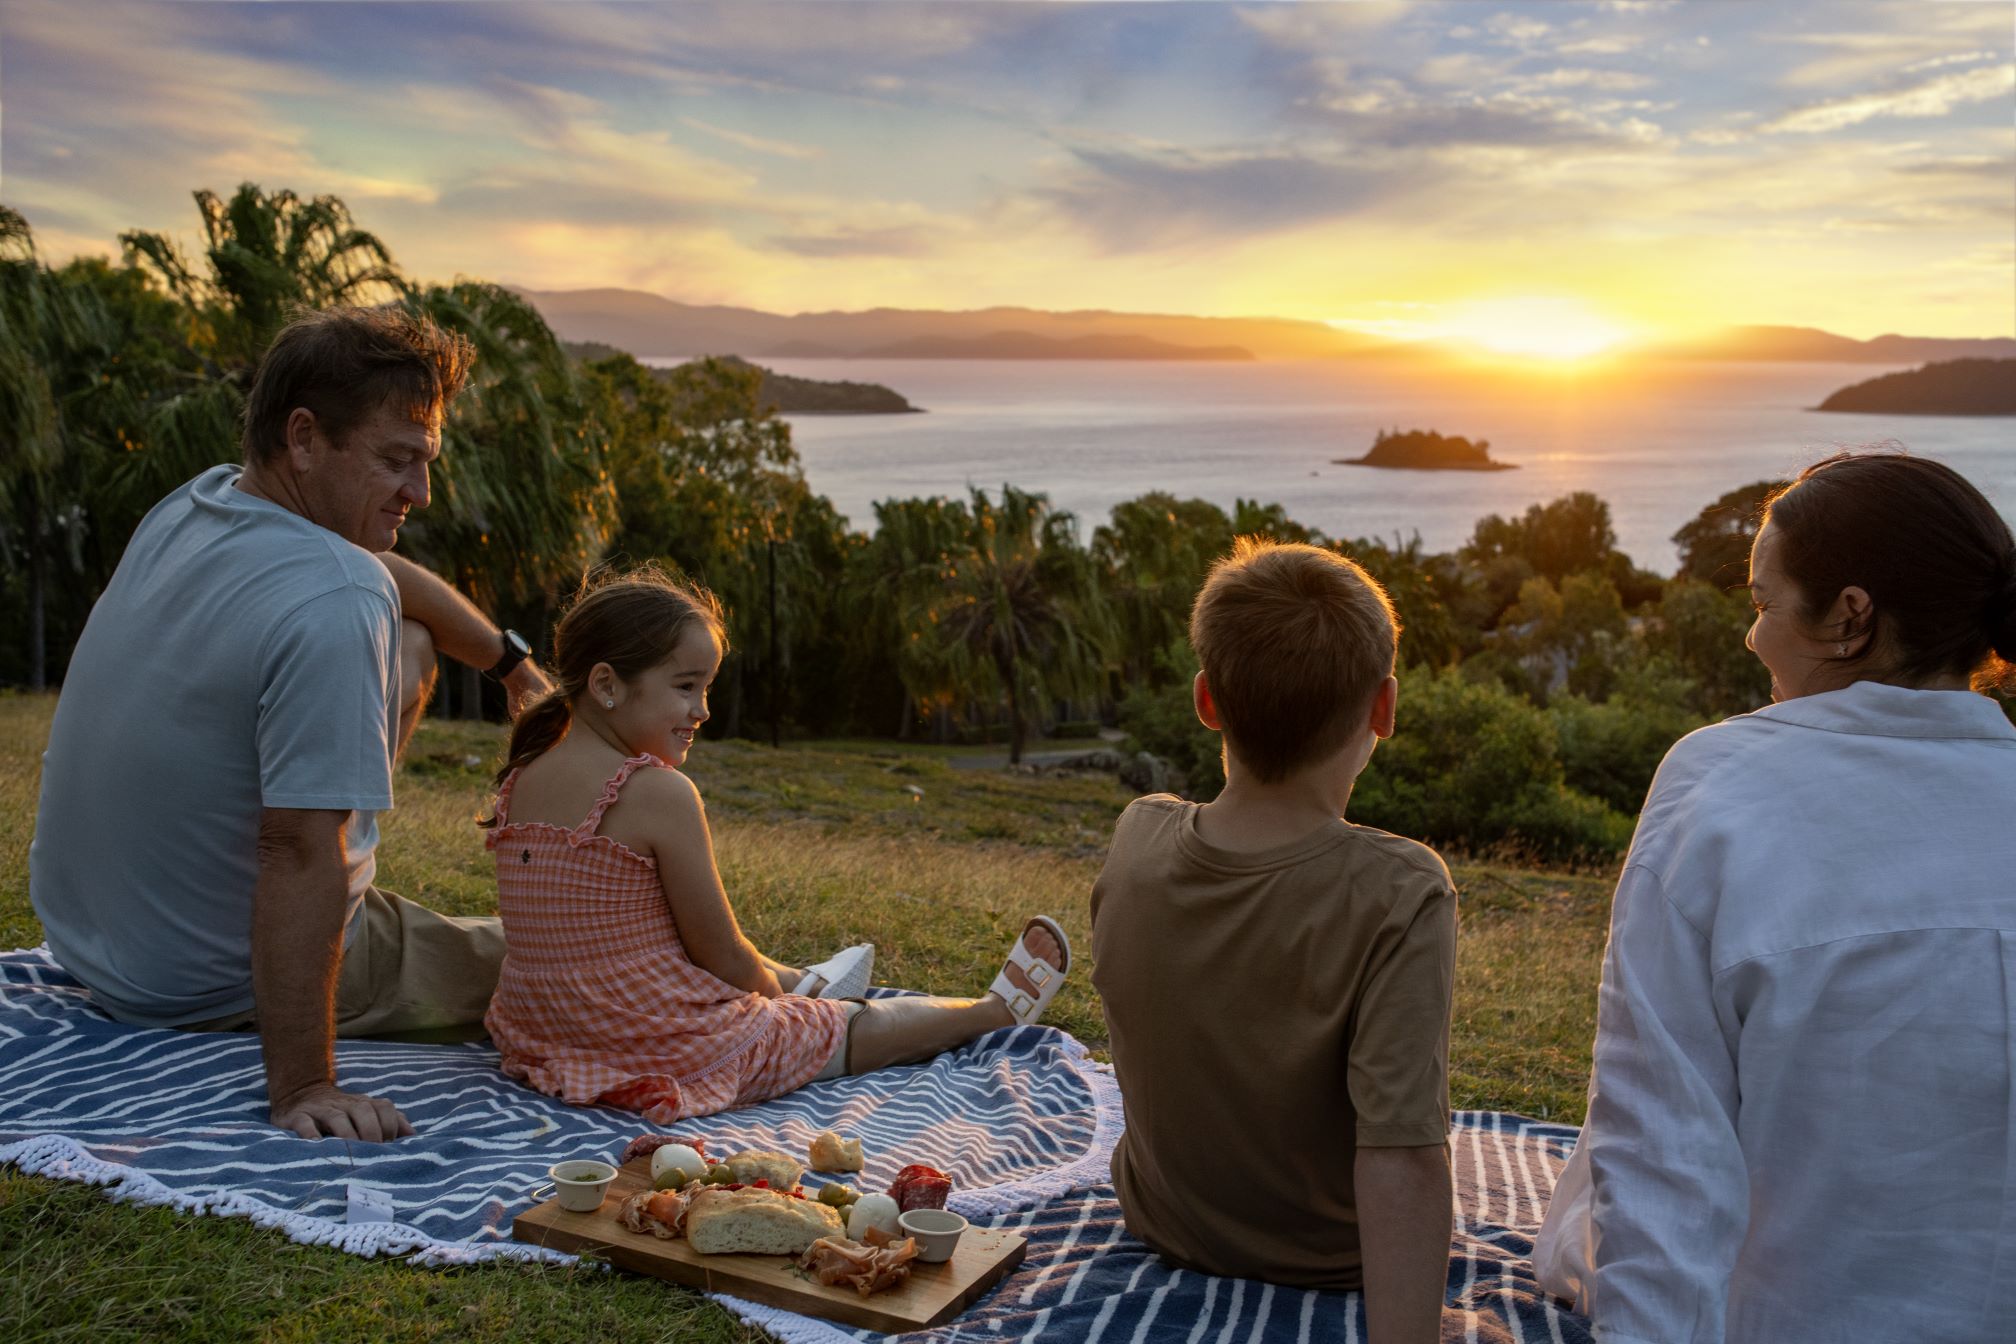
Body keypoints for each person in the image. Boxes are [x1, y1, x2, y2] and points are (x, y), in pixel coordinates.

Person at [29, 306, 551, 1144]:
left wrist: (511, 665)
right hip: (204, 977)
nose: (421, 492)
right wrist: (306, 1084)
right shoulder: (335, 599)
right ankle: (805, 994)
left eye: (426, 462)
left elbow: (382, 572)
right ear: (304, 437)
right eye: (397, 461)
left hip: (98, 942)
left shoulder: (198, 503)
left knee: (414, 643)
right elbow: (298, 847)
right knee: (582, 960)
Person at [1535, 451, 2016, 1343]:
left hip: (1782, 1318)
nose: (1751, 637)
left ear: (1849, 617)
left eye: (1762, 605)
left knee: (1592, 1182)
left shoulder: (1719, 784)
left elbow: (1658, 1148)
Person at [479, 566, 1071, 1123]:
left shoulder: (525, 773)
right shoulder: (658, 792)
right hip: (647, 1042)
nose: (702, 710)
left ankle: (806, 977)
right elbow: (722, 954)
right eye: (686, 687)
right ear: (607, 684)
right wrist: (779, 1014)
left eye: (705, 688)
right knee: (846, 1026)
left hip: (546, 1030)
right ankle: (991, 1010)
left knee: (706, 963)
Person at [1091, 539, 1456, 1343]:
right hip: (1327, 1261)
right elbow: (1402, 1154)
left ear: (1206, 700)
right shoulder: (1401, 890)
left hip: (1165, 1226)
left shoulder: (1138, 838)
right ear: (1383, 708)